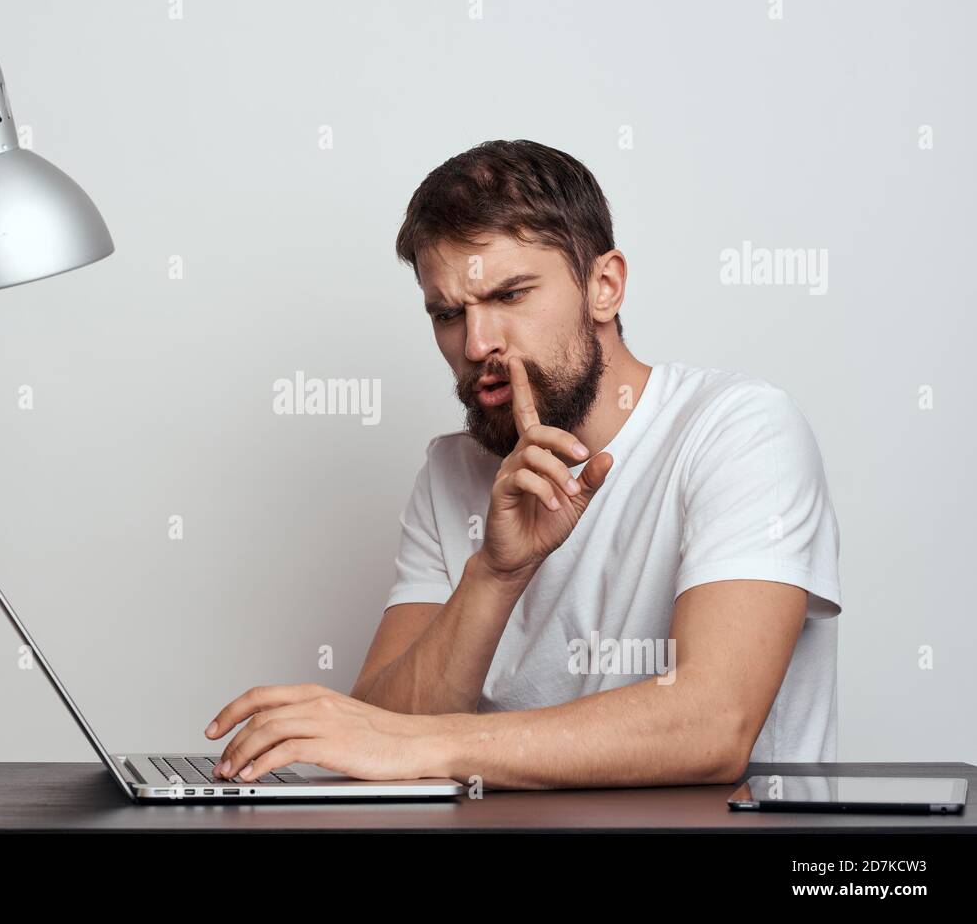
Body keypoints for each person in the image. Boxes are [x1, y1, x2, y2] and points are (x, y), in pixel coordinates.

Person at [204, 140, 841, 790]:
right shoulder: (451, 473)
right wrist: (496, 572)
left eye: (509, 295)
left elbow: (711, 724)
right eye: (448, 313)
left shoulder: (739, 430)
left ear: (604, 285)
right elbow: (378, 741)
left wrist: (433, 745)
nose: (476, 344)